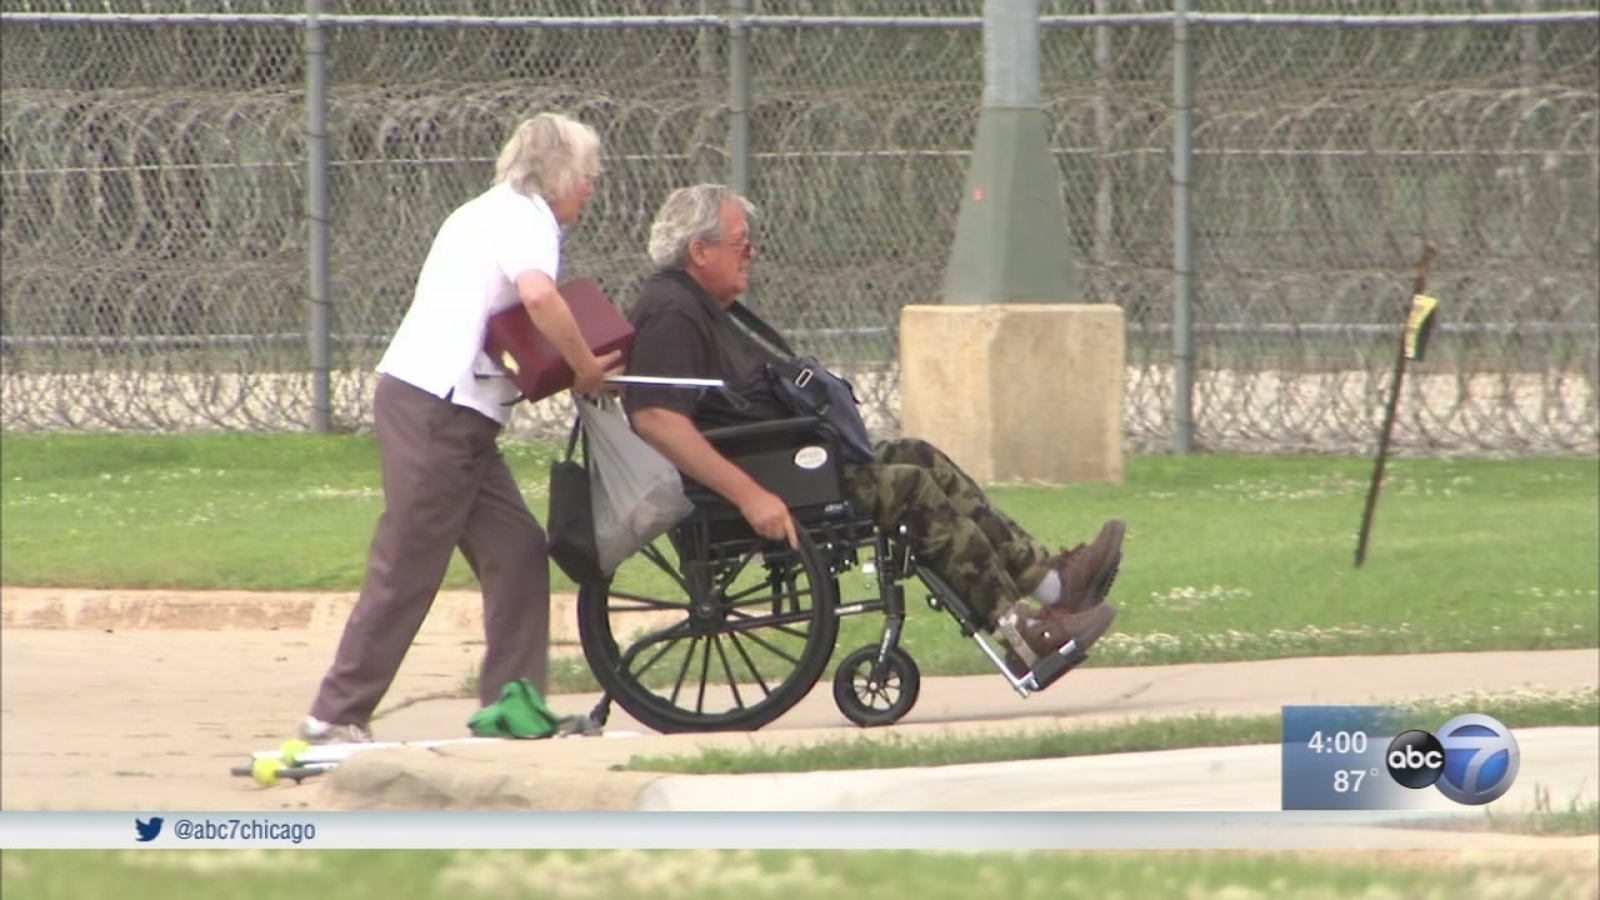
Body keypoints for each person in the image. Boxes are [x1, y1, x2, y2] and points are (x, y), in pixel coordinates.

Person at [619, 183, 1125, 678]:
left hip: (786, 460)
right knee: (909, 488)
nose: (751, 252)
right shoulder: (673, 312)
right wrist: (751, 496)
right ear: (700, 250)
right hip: (765, 478)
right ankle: (1023, 635)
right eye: (740, 242)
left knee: (918, 456)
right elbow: (657, 419)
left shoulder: (697, 306)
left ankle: (1056, 586)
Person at [297, 113, 623, 744]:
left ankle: (512, 707)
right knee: (409, 562)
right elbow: (539, 297)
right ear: (559, 173)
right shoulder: (526, 217)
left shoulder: (491, 212)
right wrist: (584, 366)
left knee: (519, 553)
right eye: (588, 176)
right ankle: (334, 715)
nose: (591, 188)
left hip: (460, 416)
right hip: (436, 410)